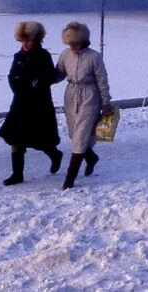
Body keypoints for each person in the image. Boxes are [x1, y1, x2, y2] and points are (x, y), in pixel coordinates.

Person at [0, 21, 63, 186]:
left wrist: (35, 83)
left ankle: (55, 155)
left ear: (37, 40)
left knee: (40, 140)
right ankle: (17, 174)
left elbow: (48, 78)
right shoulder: (18, 57)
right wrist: (19, 88)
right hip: (20, 104)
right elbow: (12, 77)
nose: (25, 44)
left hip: (38, 106)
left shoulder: (44, 56)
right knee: (15, 139)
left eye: (28, 40)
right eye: (22, 41)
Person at [54, 21, 113, 190]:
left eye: (75, 43)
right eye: (70, 43)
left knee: (80, 137)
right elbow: (59, 73)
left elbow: (102, 80)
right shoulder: (65, 55)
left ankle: (69, 179)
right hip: (71, 95)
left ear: (83, 41)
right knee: (74, 134)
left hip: (90, 97)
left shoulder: (94, 57)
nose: (73, 47)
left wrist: (106, 102)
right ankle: (91, 158)